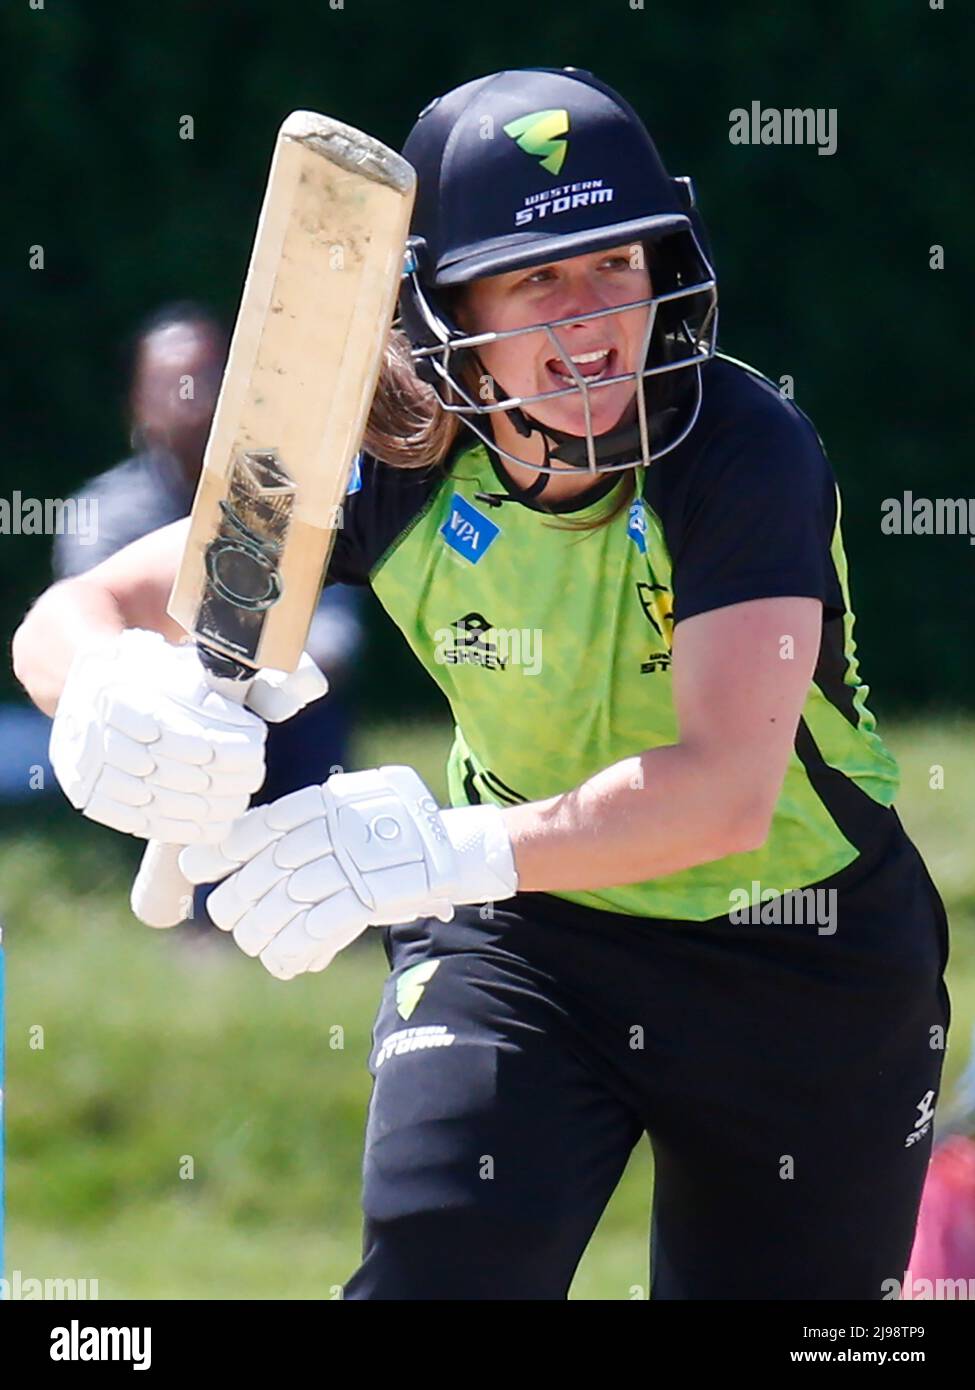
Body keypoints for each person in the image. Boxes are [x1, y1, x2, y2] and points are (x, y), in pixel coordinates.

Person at [13, 67, 951, 1300]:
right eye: (537, 278)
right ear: (445, 306)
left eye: (616, 265)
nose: (590, 320)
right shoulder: (386, 455)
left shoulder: (742, 449)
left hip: (801, 948)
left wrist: (436, 850)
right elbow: (78, 611)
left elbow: (723, 791)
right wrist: (102, 690)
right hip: (532, 936)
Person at [51, 300, 365, 810]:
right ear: (137, 402)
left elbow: (335, 630)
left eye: (205, 375)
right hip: (162, 732)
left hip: (283, 718)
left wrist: (257, 682)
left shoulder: (288, 498)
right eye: (170, 381)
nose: (191, 396)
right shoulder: (103, 514)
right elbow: (91, 634)